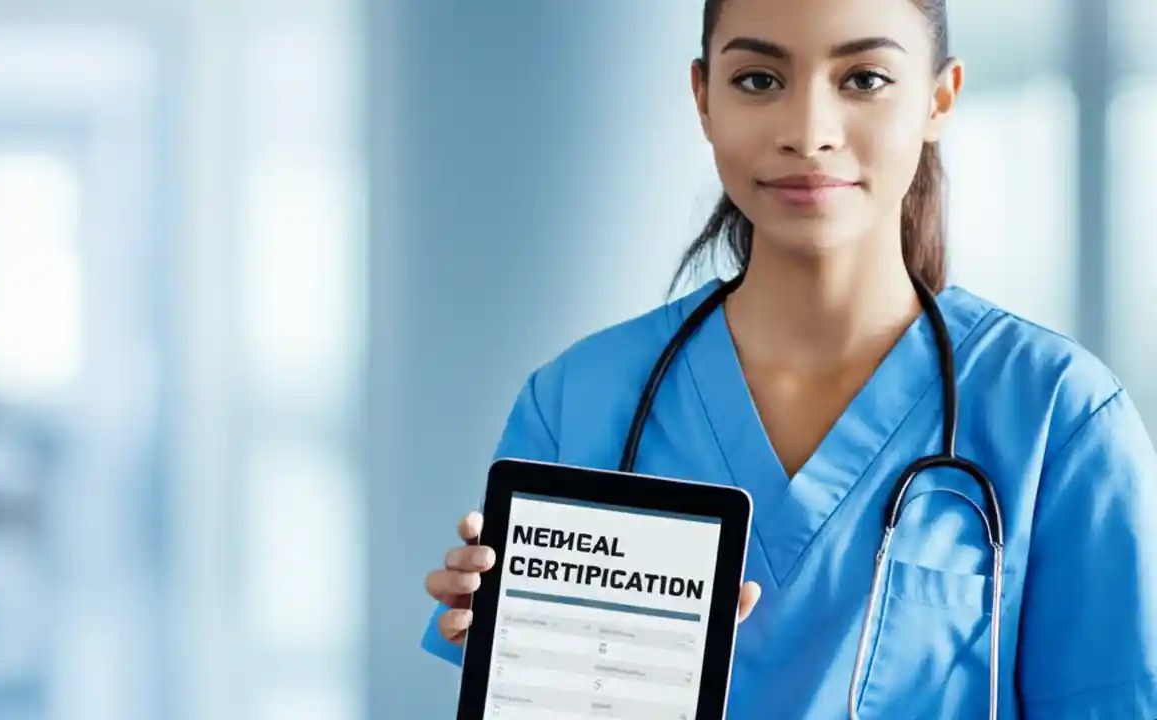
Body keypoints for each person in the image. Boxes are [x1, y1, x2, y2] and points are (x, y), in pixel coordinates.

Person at [419, 0, 1157, 716]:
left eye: (863, 78)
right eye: (758, 80)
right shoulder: (578, 400)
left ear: (940, 98)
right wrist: (518, 665)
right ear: (703, 97)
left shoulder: (1059, 415)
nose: (808, 132)